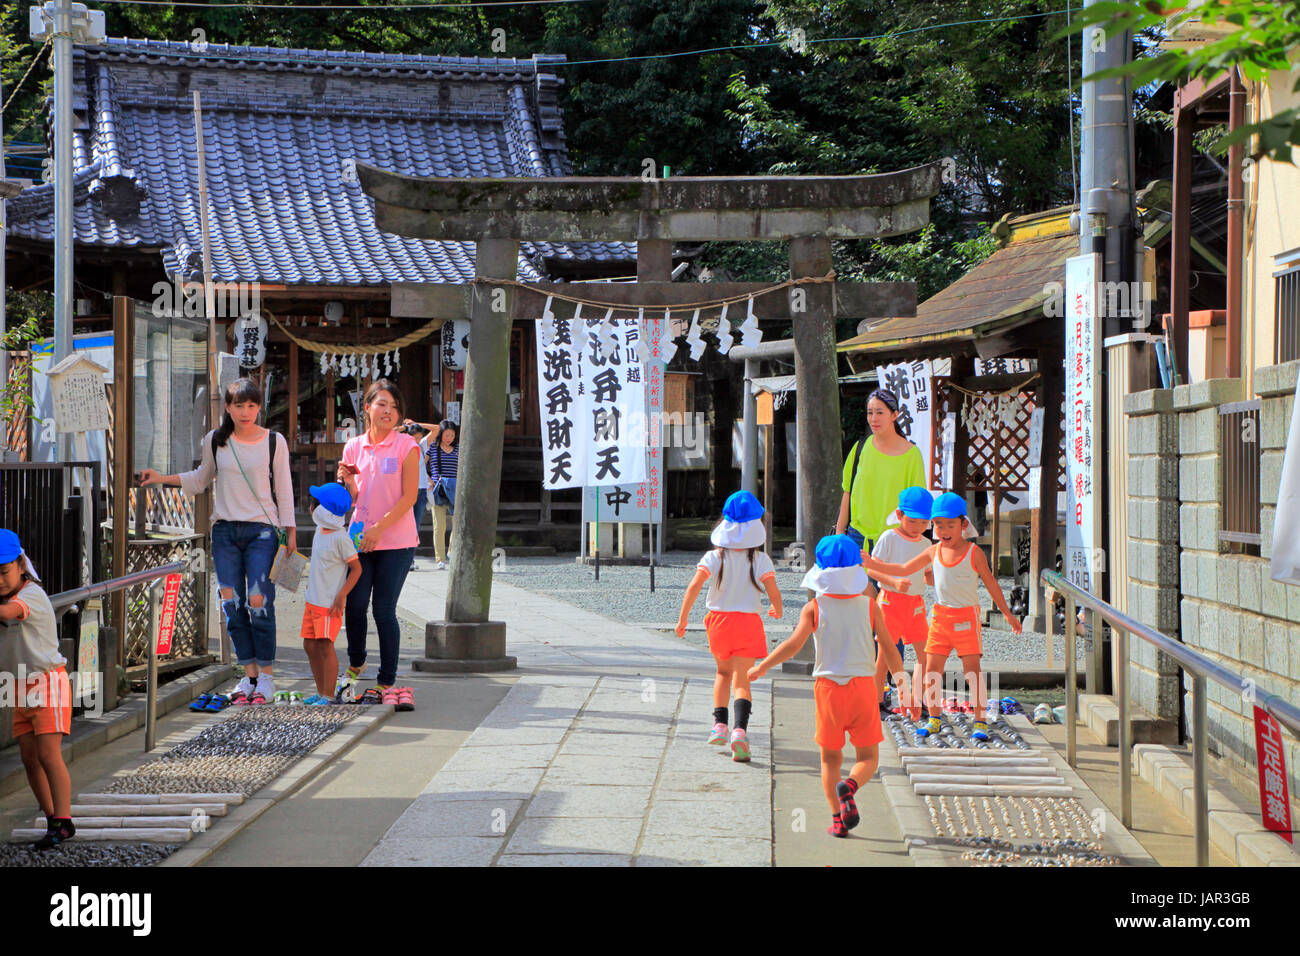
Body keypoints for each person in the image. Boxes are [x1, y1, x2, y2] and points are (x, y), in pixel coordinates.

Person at [141, 377, 295, 705]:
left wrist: (290, 534)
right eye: (239, 405)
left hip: (262, 533)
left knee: (258, 600)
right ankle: (249, 676)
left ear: (259, 407)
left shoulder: (274, 441)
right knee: (231, 604)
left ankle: (266, 676)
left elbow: (284, 488)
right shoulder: (215, 440)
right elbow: (200, 480)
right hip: (224, 531)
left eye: (252, 405)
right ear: (228, 407)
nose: (246, 411)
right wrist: (161, 478)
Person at [748, 535, 905, 838]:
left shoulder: (815, 608)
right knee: (868, 758)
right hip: (862, 688)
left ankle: (837, 818)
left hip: (828, 689)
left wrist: (762, 666)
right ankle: (851, 786)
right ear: (857, 569)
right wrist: (904, 686)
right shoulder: (870, 607)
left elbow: (794, 646)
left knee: (830, 759)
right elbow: (889, 648)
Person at [871, 492, 1022, 742]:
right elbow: (904, 569)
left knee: (972, 670)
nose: (943, 530)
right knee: (931, 670)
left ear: (963, 525)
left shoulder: (973, 553)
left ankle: (981, 721)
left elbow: (992, 584)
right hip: (936, 616)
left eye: (949, 524)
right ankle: (933, 718)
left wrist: (1007, 613)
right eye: (938, 525)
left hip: (964, 618)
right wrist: (873, 564)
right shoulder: (932, 550)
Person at [674, 491, 782, 762]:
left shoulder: (714, 557)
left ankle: (719, 725)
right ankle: (740, 732)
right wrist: (777, 609)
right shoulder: (760, 560)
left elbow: (694, 586)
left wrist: (683, 618)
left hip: (719, 622)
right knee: (742, 679)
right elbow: (773, 590)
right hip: (748, 622)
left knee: (722, 673)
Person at [334, 379, 420, 704]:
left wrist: (379, 529)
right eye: (382, 404)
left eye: (394, 406)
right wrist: (348, 483)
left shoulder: (406, 447)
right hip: (359, 537)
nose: (388, 411)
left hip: (396, 540)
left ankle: (387, 680)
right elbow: (353, 500)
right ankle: (356, 663)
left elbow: (409, 496)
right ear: (367, 406)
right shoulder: (353, 447)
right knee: (354, 606)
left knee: (383, 610)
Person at [0, 530, 75, 848]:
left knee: (48, 754)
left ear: (20, 564)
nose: (0, 579)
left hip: (48, 683)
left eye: (3, 571)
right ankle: (52, 818)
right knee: (29, 758)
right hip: (17, 685)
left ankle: (65, 819)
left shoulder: (31, 595)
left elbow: (7, 614)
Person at [870, 487, 935, 721]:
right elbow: (871, 568)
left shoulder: (927, 543)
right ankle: (876, 701)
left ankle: (917, 700)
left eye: (923, 522)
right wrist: (893, 582)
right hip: (889, 602)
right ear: (899, 515)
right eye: (912, 521)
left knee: (925, 654)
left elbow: (928, 575)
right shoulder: (889, 538)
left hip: (916, 604)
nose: (917, 527)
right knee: (885, 656)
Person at [835, 387, 926, 552]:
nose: (874, 418)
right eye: (870, 413)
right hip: (857, 538)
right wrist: (840, 533)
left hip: (896, 540)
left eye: (879, 412)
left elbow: (916, 504)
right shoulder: (860, 448)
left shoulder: (912, 455)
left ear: (894, 414)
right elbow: (847, 492)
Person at [301, 483, 362, 704]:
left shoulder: (340, 537)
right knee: (309, 645)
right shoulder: (319, 530)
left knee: (326, 646)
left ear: (323, 511)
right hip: (312, 600)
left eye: (314, 504)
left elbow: (357, 569)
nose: (310, 507)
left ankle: (328, 695)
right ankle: (320, 693)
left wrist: (341, 595)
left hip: (329, 604)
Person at [405, 418, 458, 570]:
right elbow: (424, 465)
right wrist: (428, 479)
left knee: (458, 524)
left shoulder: (458, 449)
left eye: (452, 435)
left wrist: (417, 424)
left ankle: (452, 552)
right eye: (446, 435)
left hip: (453, 488)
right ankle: (439, 558)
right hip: (438, 489)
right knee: (438, 526)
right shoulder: (431, 447)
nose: (449, 438)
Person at [404, 421, 432, 573]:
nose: (416, 439)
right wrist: (404, 427)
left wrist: (416, 423)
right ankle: (404, 559)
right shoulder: (401, 446)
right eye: (413, 436)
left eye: (419, 436)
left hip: (420, 491)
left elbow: (437, 429)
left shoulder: (421, 446)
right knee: (405, 525)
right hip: (406, 490)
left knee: (415, 526)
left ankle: (411, 559)